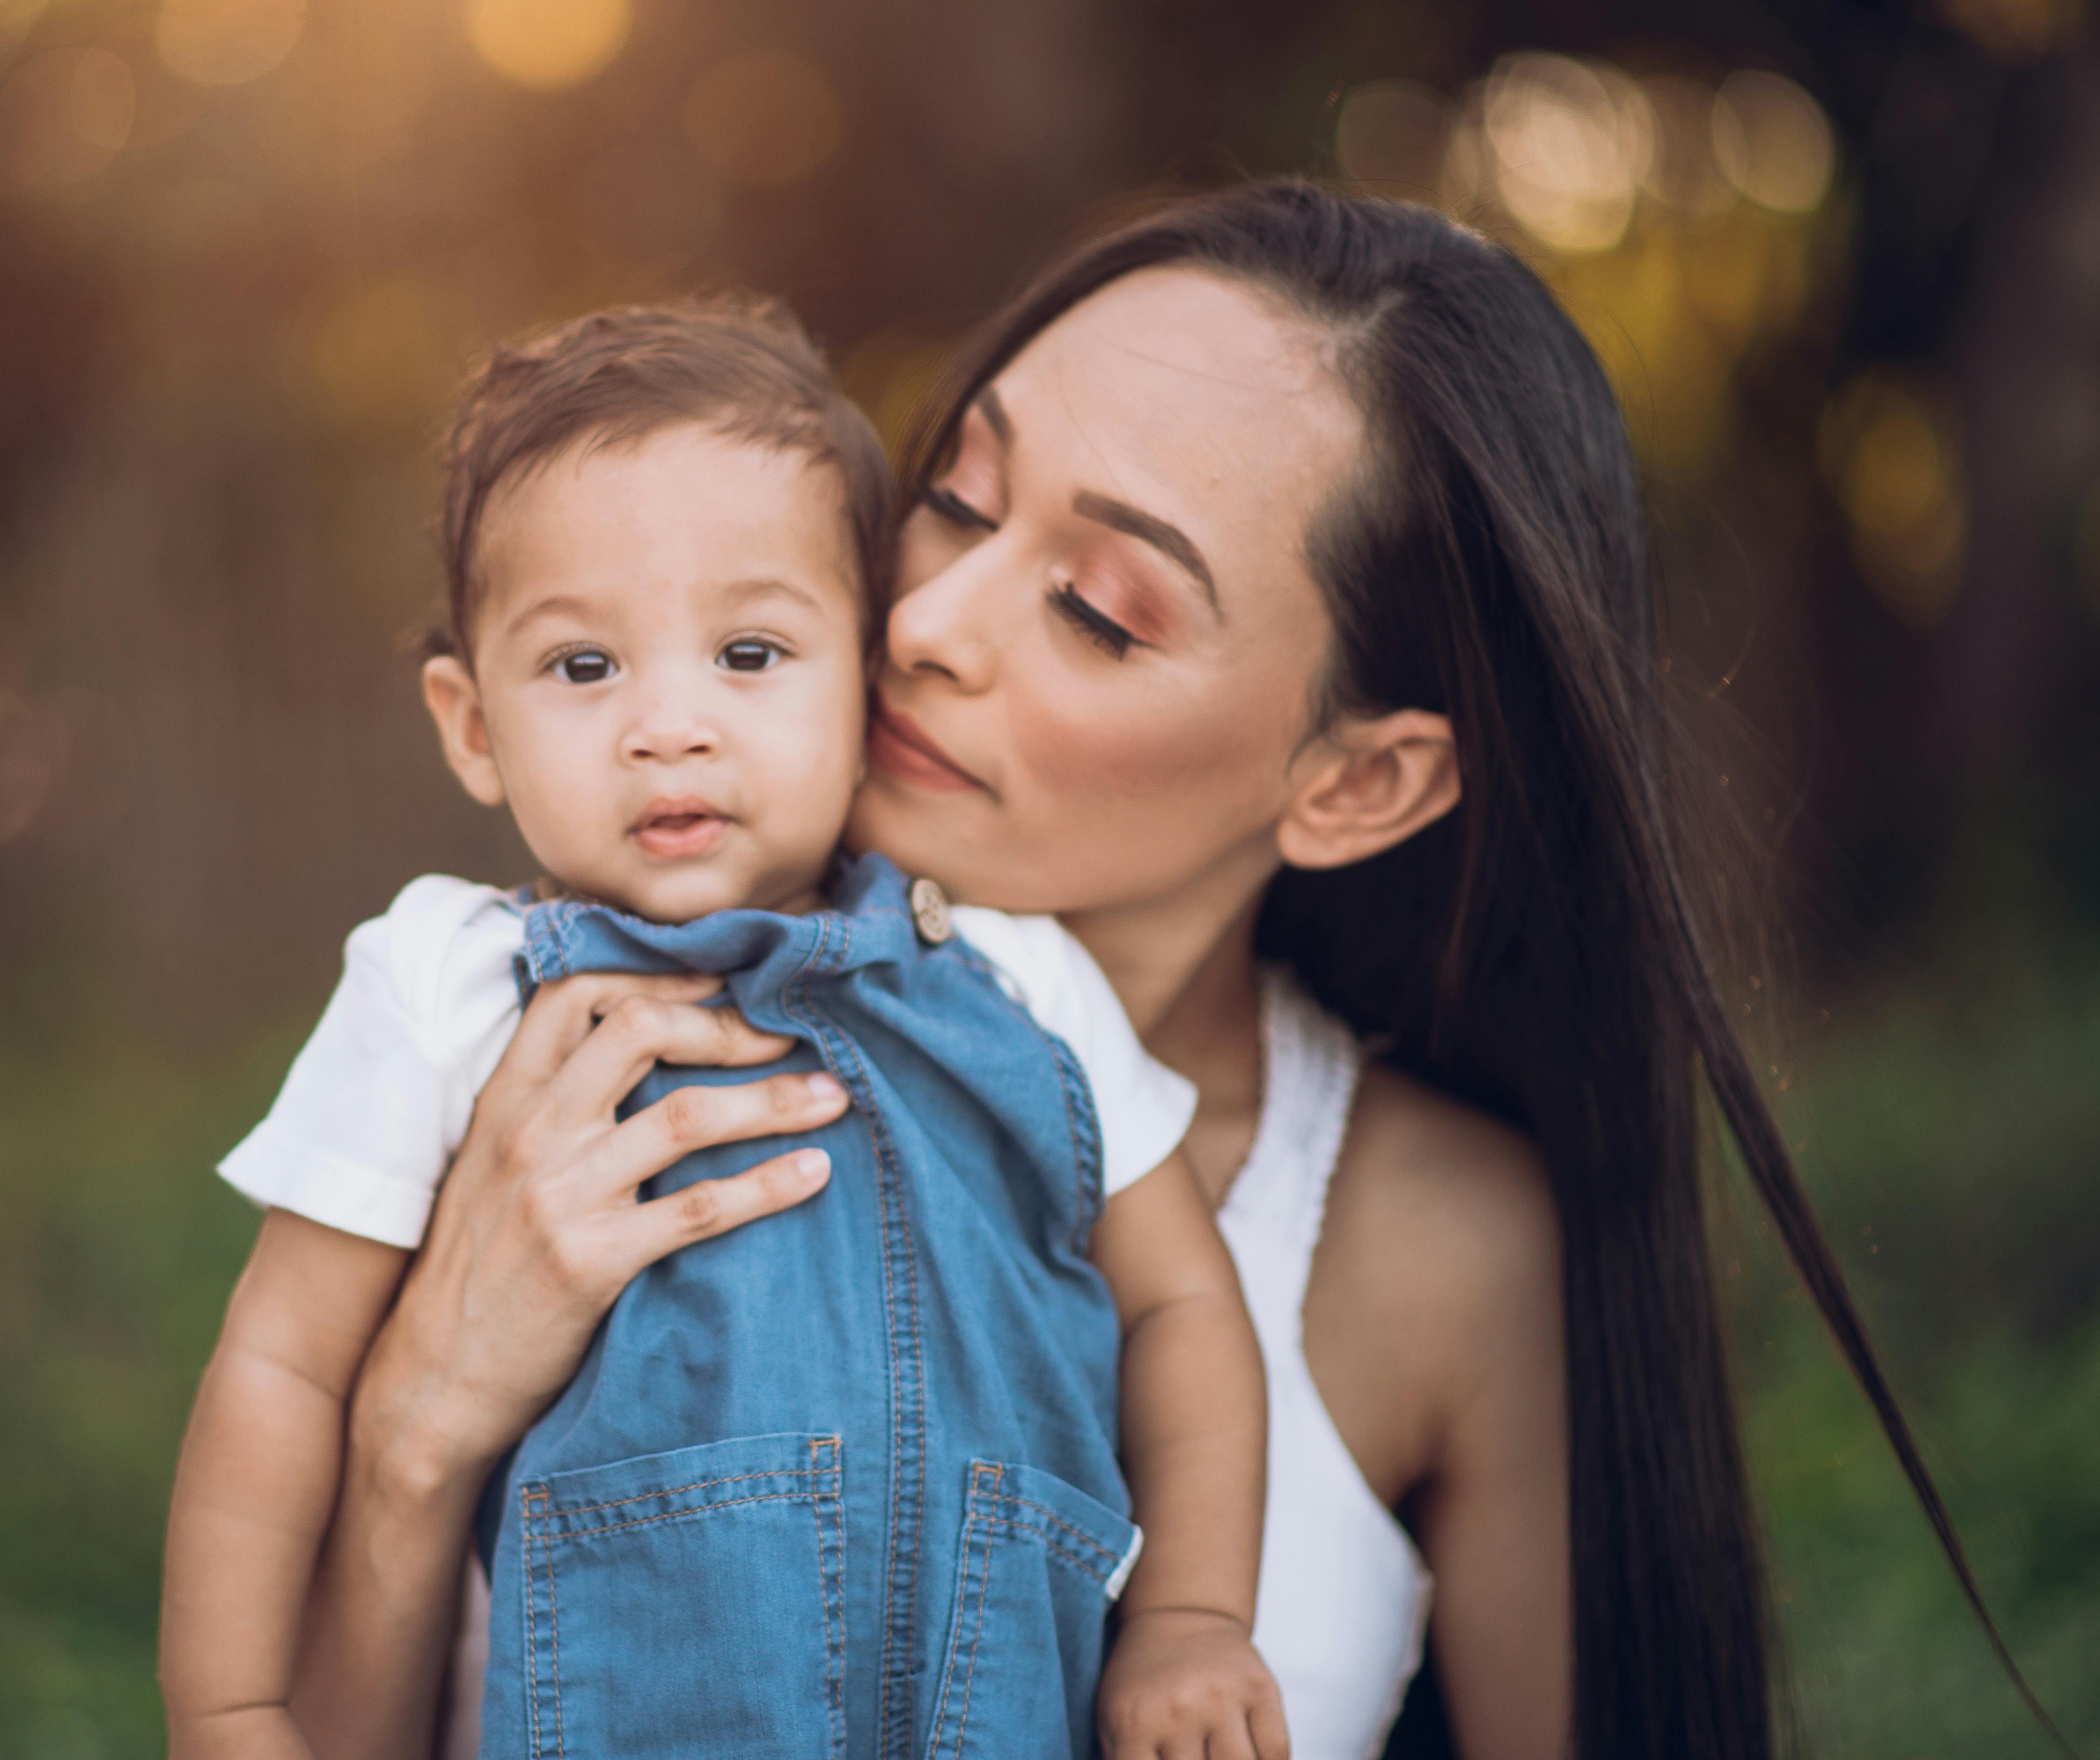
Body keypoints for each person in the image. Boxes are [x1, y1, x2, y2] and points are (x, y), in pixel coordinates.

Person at [278, 184, 2044, 1760]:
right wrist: (415, 1430)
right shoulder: (531, 1062)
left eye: (1101, 608)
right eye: (957, 500)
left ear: (1358, 783)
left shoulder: (1433, 1243)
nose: (926, 621)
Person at [162, 299, 1288, 1759]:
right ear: (471, 725)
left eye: (750, 654)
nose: (669, 725)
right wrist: (228, 1707)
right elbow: (280, 1366)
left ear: (866, 679)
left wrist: (1194, 1618)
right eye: (585, 668)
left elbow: (1183, 1308)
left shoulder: (1020, 981)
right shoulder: (450, 987)